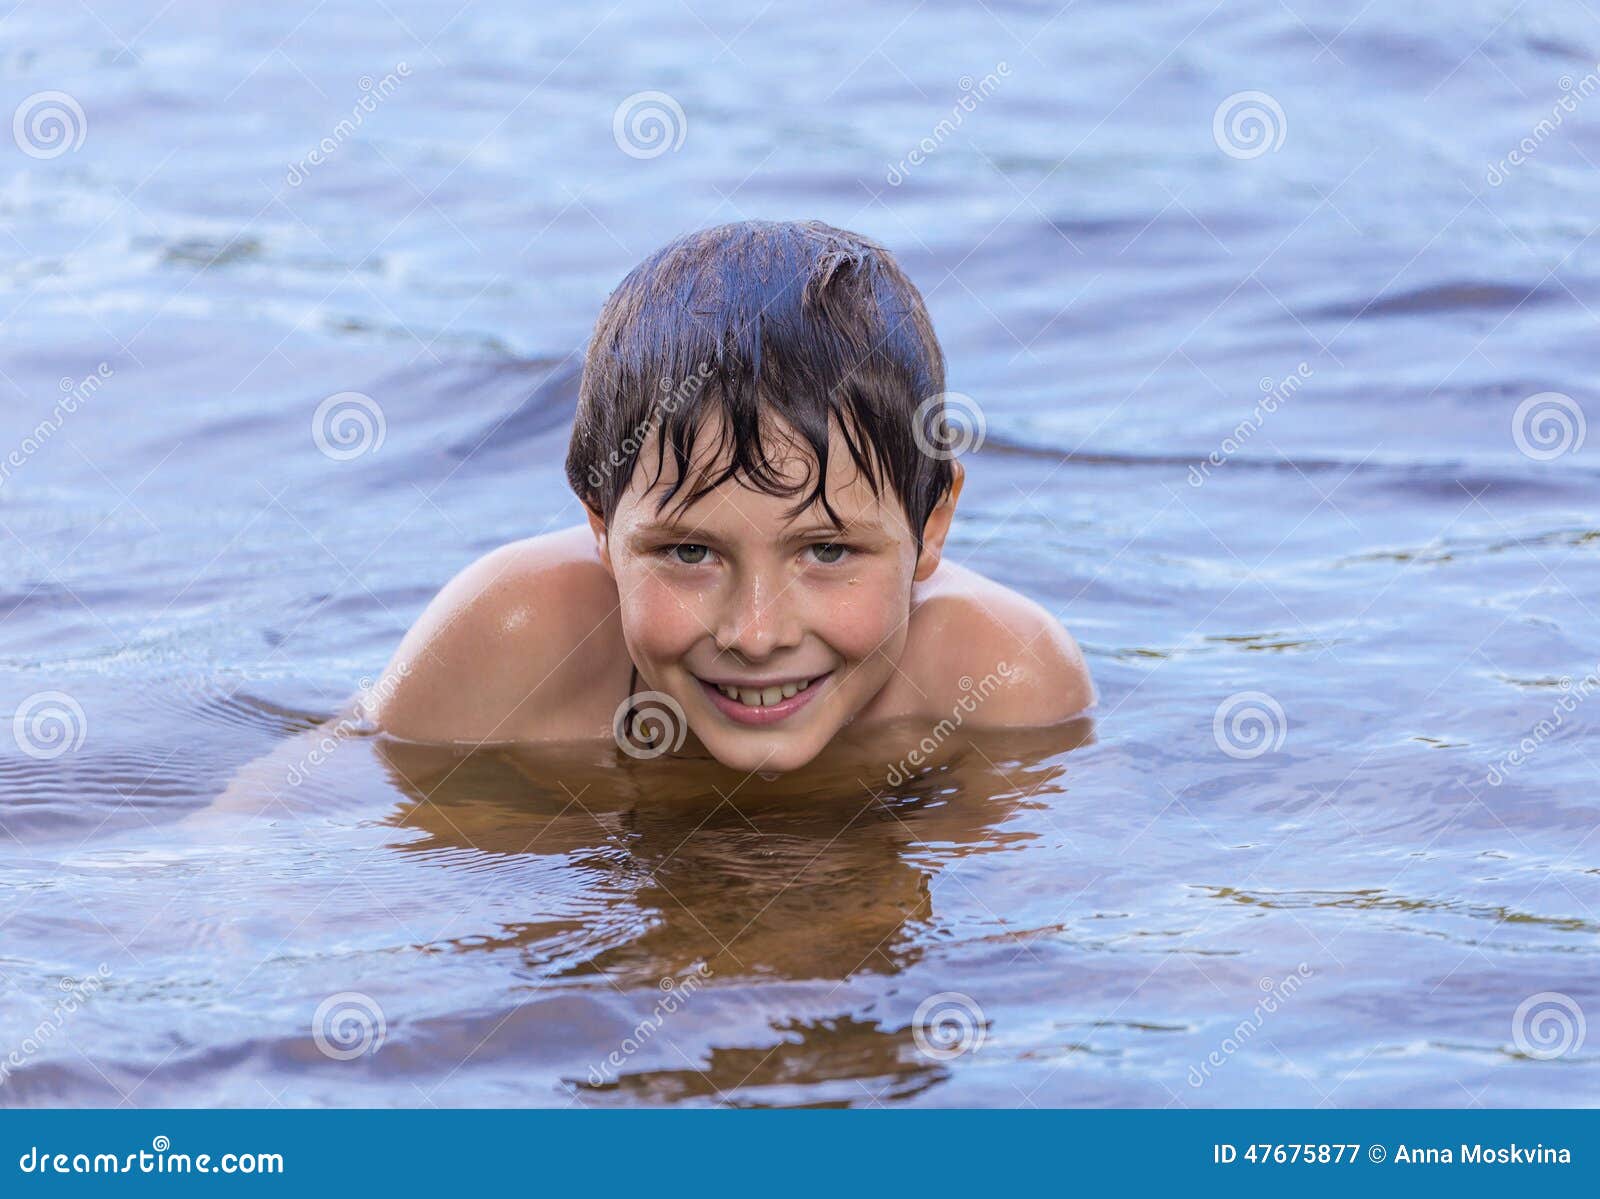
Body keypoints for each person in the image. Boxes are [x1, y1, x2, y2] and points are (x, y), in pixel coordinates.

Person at [370, 219, 1093, 776]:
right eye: (690, 551)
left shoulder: (1001, 687)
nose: (755, 635)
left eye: (827, 549)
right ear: (599, 520)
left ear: (933, 524)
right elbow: (293, 843)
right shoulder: (508, 643)